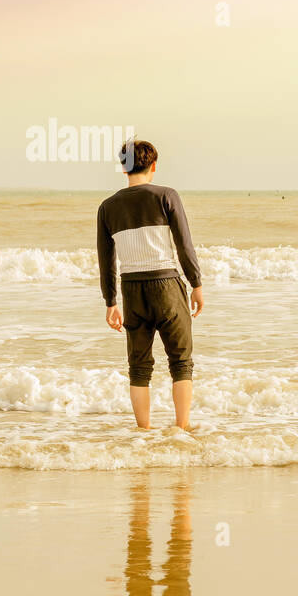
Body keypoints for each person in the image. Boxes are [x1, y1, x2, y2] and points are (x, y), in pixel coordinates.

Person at [96, 140, 204, 429]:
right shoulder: (166, 195)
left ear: (123, 167)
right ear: (153, 166)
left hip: (132, 291)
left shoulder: (107, 207)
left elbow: (106, 260)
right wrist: (196, 283)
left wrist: (111, 302)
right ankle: (182, 428)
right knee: (181, 363)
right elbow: (184, 243)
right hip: (166, 284)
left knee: (139, 369)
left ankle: (143, 431)